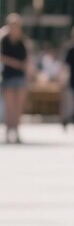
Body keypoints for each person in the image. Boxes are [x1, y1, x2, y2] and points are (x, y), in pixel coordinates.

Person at [1, 14, 30, 143]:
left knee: (18, 107)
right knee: (9, 106)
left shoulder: (23, 41)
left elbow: (27, 59)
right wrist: (15, 63)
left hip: (20, 77)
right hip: (8, 76)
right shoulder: (3, 40)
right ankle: (8, 130)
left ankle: (16, 130)